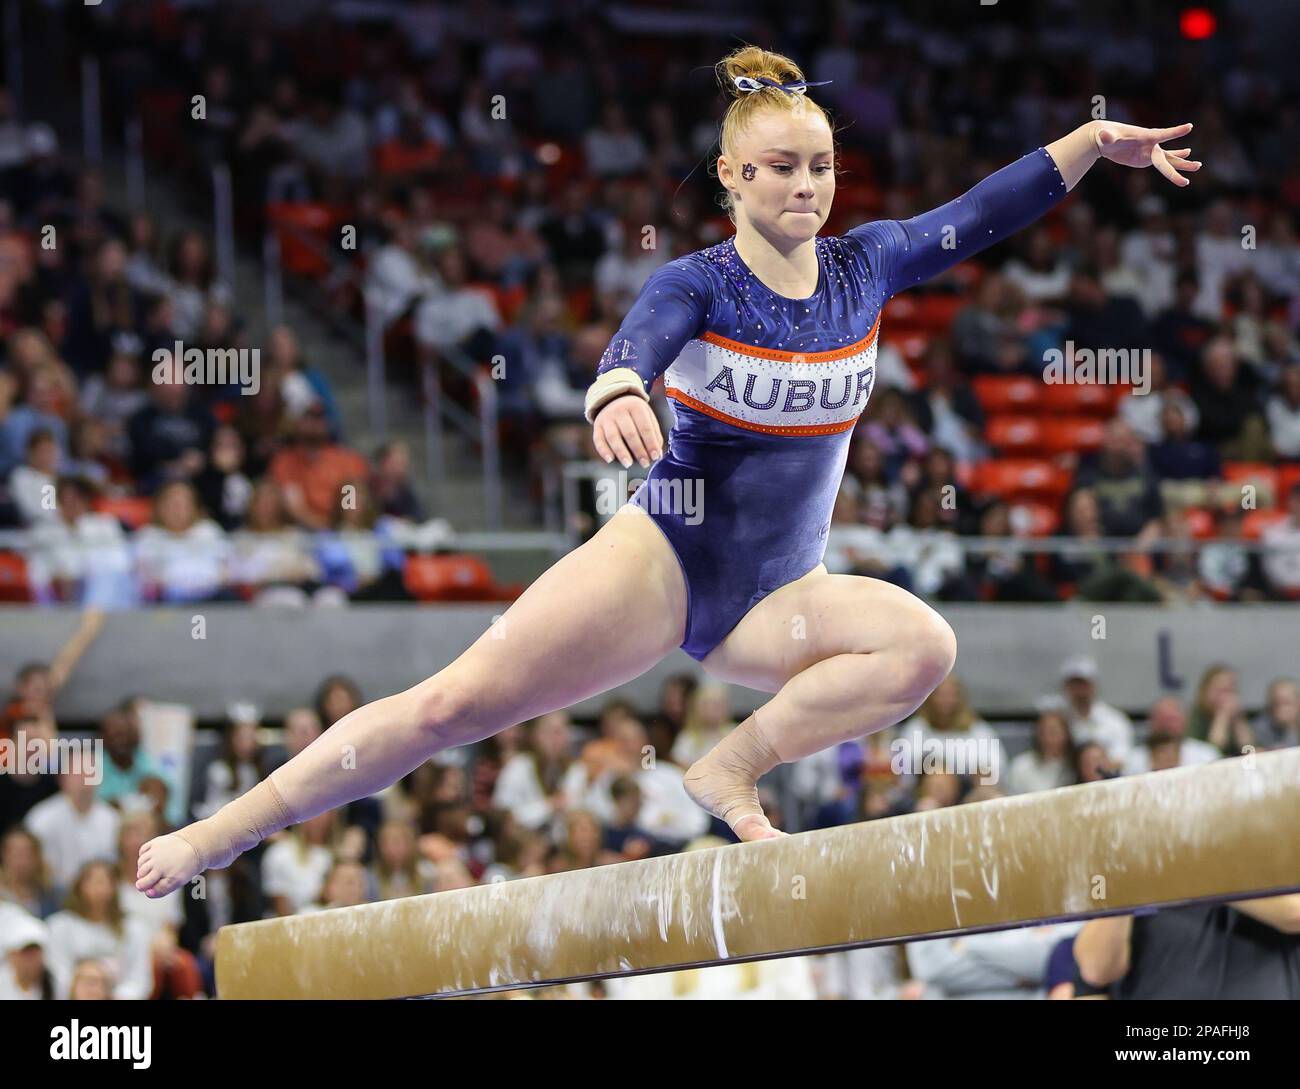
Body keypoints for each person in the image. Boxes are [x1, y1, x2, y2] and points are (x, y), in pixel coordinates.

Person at [137, 46, 1202, 895]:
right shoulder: (697, 281)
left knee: (920, 644)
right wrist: (616, 392)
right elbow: (636, 347)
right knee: (444, 710)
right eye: (780, 167)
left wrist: (1089, 141)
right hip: (663, 565)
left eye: (820, 165)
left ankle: (732, 764)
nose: (805, 186)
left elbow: (981, 212)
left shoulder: (865, 266)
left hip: (781, 594)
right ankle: (220, 836)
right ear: (732, 178)